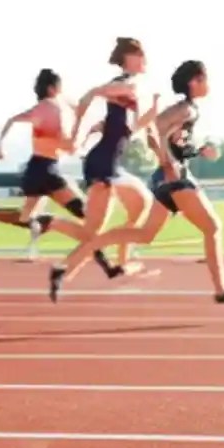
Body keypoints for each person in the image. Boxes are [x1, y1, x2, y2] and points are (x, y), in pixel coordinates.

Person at [50, 60, 224, 304]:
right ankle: (222, 290)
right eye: (205, 78)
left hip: (166, 177)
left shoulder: (189, 110)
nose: (208, 84)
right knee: (212, 227)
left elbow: (174, 142)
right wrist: (167, 163)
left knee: (144, 234)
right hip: (175, 178)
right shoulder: (185, 109)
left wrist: (199, 150)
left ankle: (68, 264)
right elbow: (155, 128)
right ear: (194, 82)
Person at [0, 70, 114, 270]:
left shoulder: (38, 109)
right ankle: (97, 253)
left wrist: (0, 145)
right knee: (85, 212)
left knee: (26, 218)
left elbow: (12, 120)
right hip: (48, 170)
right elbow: (65, 144)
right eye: (60, 87)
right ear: (53, 88)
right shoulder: (55, 109)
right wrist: (88, 134)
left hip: (34, 169)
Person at [45, 38, 160, 286]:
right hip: (103, 164)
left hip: (110, 164)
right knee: (92, 232)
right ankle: (52, 233)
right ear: (129, 58)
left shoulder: (127, 89)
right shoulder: (123, 84)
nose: (146, 61)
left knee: (141, 203)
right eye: (141, 56)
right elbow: (97, 94)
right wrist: (82, 119)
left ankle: (121, 262)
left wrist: (151, 114)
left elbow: (132, 127)